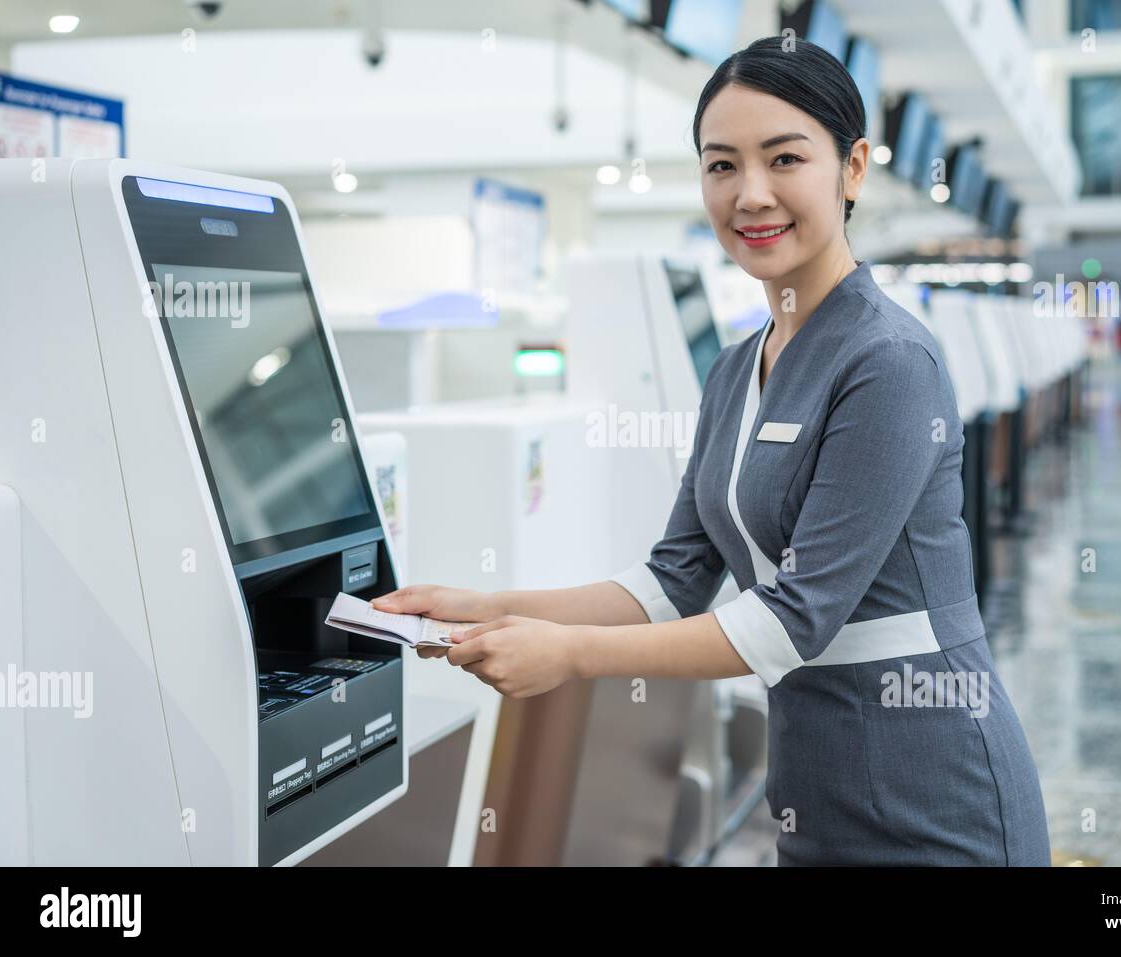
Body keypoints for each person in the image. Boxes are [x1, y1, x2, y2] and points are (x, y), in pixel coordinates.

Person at [373, 36, 1050, 866]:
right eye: (721, 165)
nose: (750, 193)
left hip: (935, 794)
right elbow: (673, 579)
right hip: (817, 791)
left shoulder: (890, 362)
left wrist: (568, 654)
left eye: (784, 158)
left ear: (854, 168)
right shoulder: (738, 368)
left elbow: (792, 619)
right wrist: (488, 606)